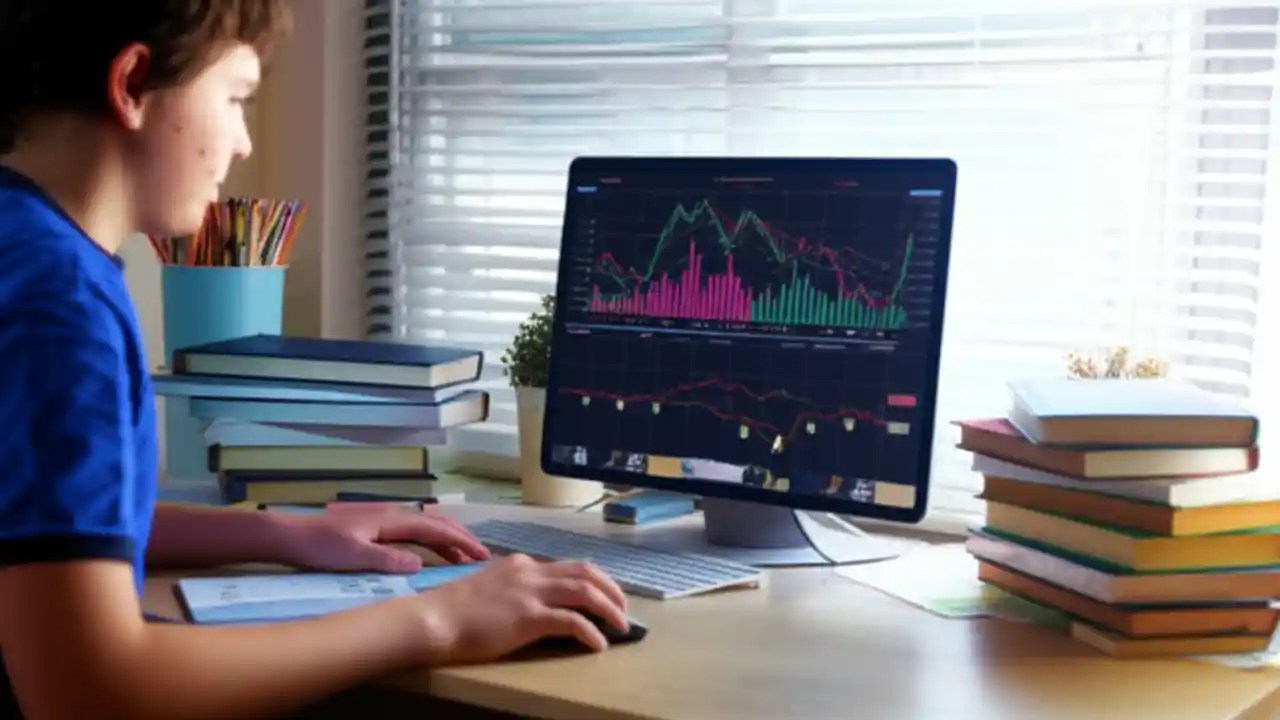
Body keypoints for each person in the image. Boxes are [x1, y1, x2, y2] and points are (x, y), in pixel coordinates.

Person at [0, 2, 628, 718]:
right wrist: (437, 621)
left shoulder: (23, 247)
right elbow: (86, 688)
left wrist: (284, 533)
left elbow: (45, 531)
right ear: (133, 82)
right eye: (235, 97)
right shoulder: (62, 304)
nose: (241, 143)